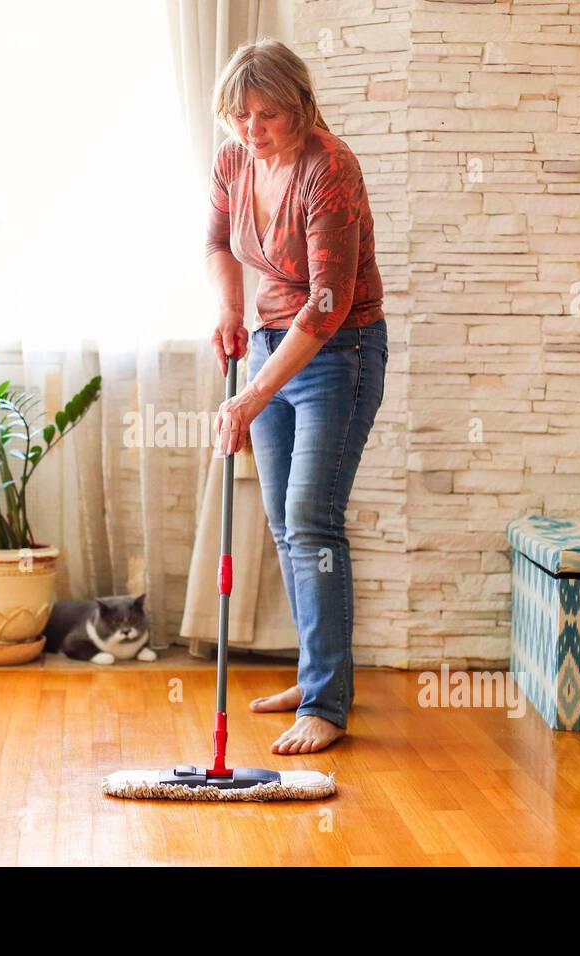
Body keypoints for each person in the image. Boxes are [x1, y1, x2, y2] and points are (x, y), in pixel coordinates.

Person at [206, 38, 387, 755]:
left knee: (312, 521)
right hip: (268, 344)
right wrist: (228, 311)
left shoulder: (330, 169)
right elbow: (217, 241)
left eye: (268, 115)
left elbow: (326, 304)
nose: (253, 129)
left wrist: (251, 396)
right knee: (286, 525)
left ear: (301, 105)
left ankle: (327, 702)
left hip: (336, 352)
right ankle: (316, 677)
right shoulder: (233, 160)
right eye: (240, 115)